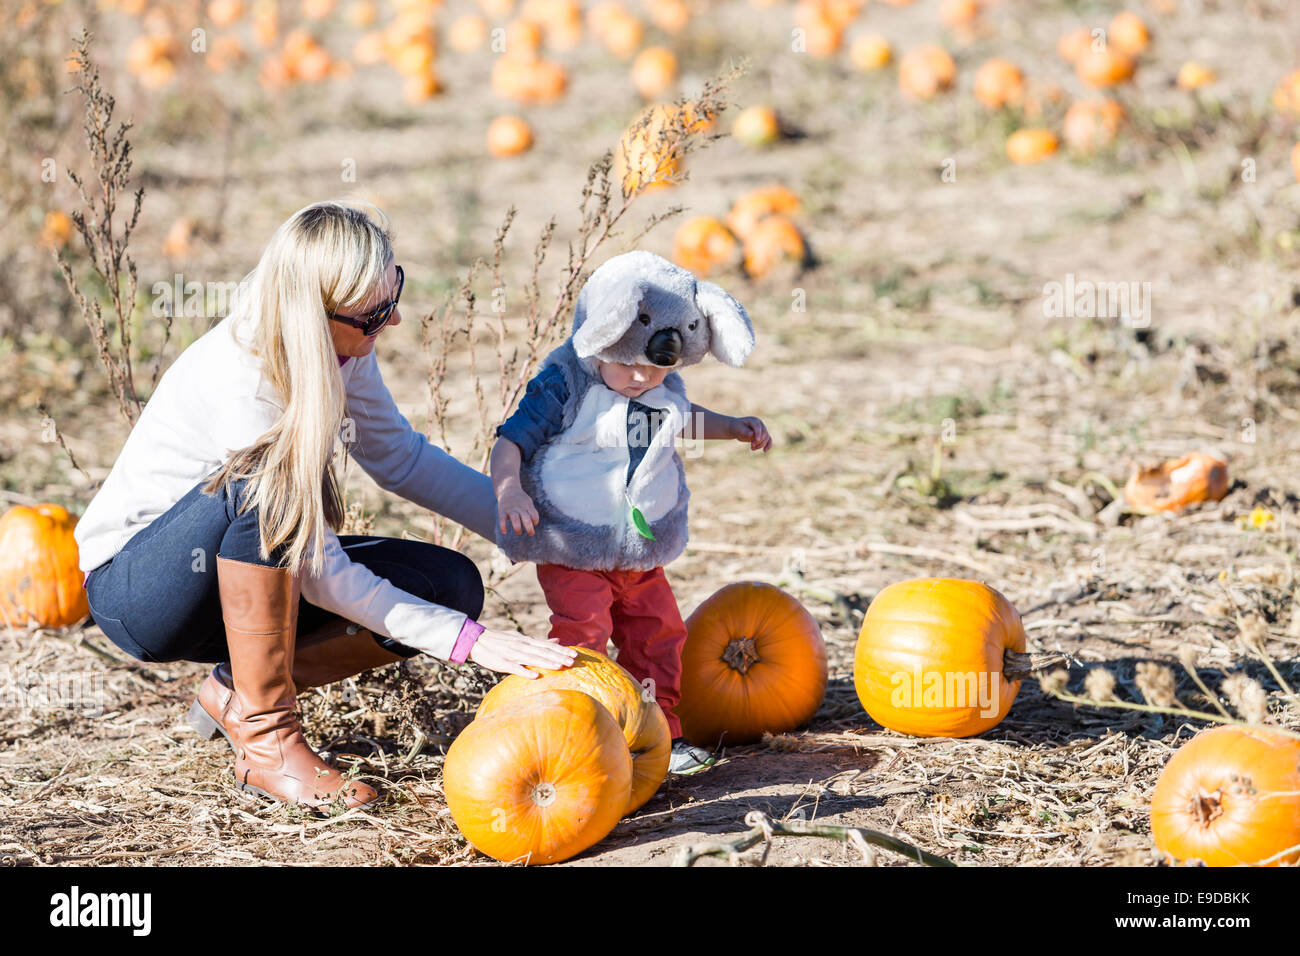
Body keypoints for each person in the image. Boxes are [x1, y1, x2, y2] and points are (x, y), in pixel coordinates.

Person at [75, 200, 575, 812]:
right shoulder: (247, 380)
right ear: (316, 314)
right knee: (261, 489)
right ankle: (266, 741)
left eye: (395, 295)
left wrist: (536, 535)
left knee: (447, 585)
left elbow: (400, 459)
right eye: (375, 316)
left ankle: (237, 692)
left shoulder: (340, 346)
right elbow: (320, 571)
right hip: (145, 593)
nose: (391, 326)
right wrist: (470, 645)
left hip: (248, 574)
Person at [489, 251, 772, 775]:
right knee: (583, 635)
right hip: (575, 546)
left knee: (659, 635)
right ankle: (579, 730)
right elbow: (510, 442)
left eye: (657, 367)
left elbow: (683, 420)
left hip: (640, 549)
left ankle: (660, 734)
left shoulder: (660, 389)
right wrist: (509, 493)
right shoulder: (563, 385)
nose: (642, 378)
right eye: (629, 364)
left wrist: (733, 427)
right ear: (601, 335)